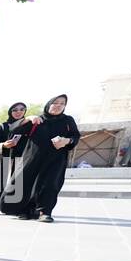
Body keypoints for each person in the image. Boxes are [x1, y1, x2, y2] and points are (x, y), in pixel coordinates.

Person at [10, 94, 80, 223]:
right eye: (56, 102)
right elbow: (13, 130)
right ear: (49, 104)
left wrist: (66, 140)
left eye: (62, 103)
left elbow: (75, 137)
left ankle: (45, 212)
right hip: (33, 157)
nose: (59, 105)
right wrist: (28, 119)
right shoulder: (37, 119)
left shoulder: (68, 120)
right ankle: (25, 210)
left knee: (50, 184)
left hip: (56, 159)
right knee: (28, 183)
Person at [0, 102, 29, 214]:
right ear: (10, 112)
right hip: (2, 158)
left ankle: (13, 208)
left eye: (22, 109)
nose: (18, 112)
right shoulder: (3, 126)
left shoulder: (28, 126)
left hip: (20, 159)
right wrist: (3, 145)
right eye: (15, 110)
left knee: (18, 185)